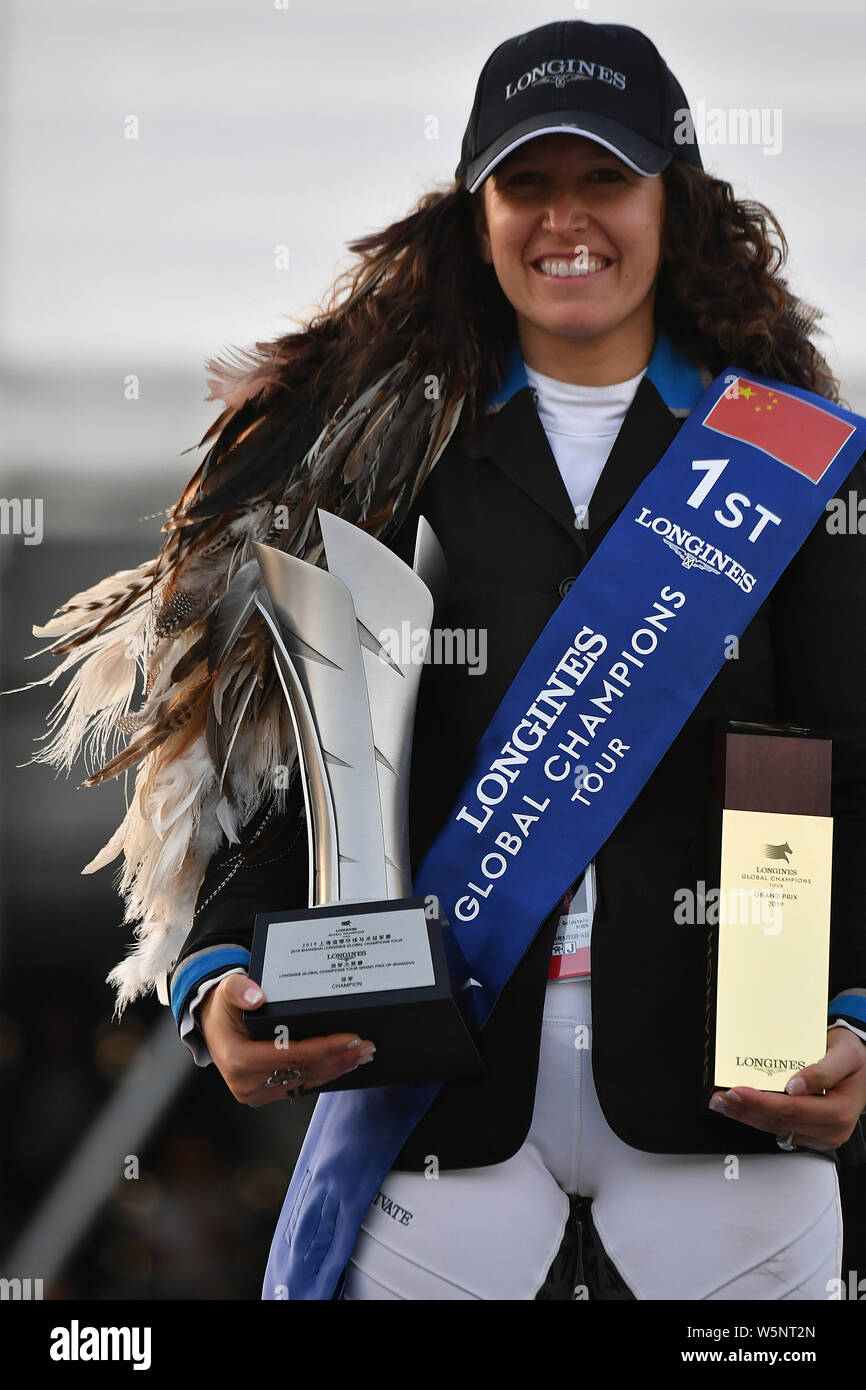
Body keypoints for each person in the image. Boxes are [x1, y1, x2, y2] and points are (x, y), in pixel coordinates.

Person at [27, 21, 866, 1299]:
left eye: (606, 179)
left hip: (726, 1095)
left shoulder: (788, 458)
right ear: (475, 211)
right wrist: (223, 969)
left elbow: (848, 772)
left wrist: (855, 1016)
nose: (564, 217)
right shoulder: (381, 457)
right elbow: (289, 765)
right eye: (527, 182)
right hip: (435, 1087)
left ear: (672, 201)